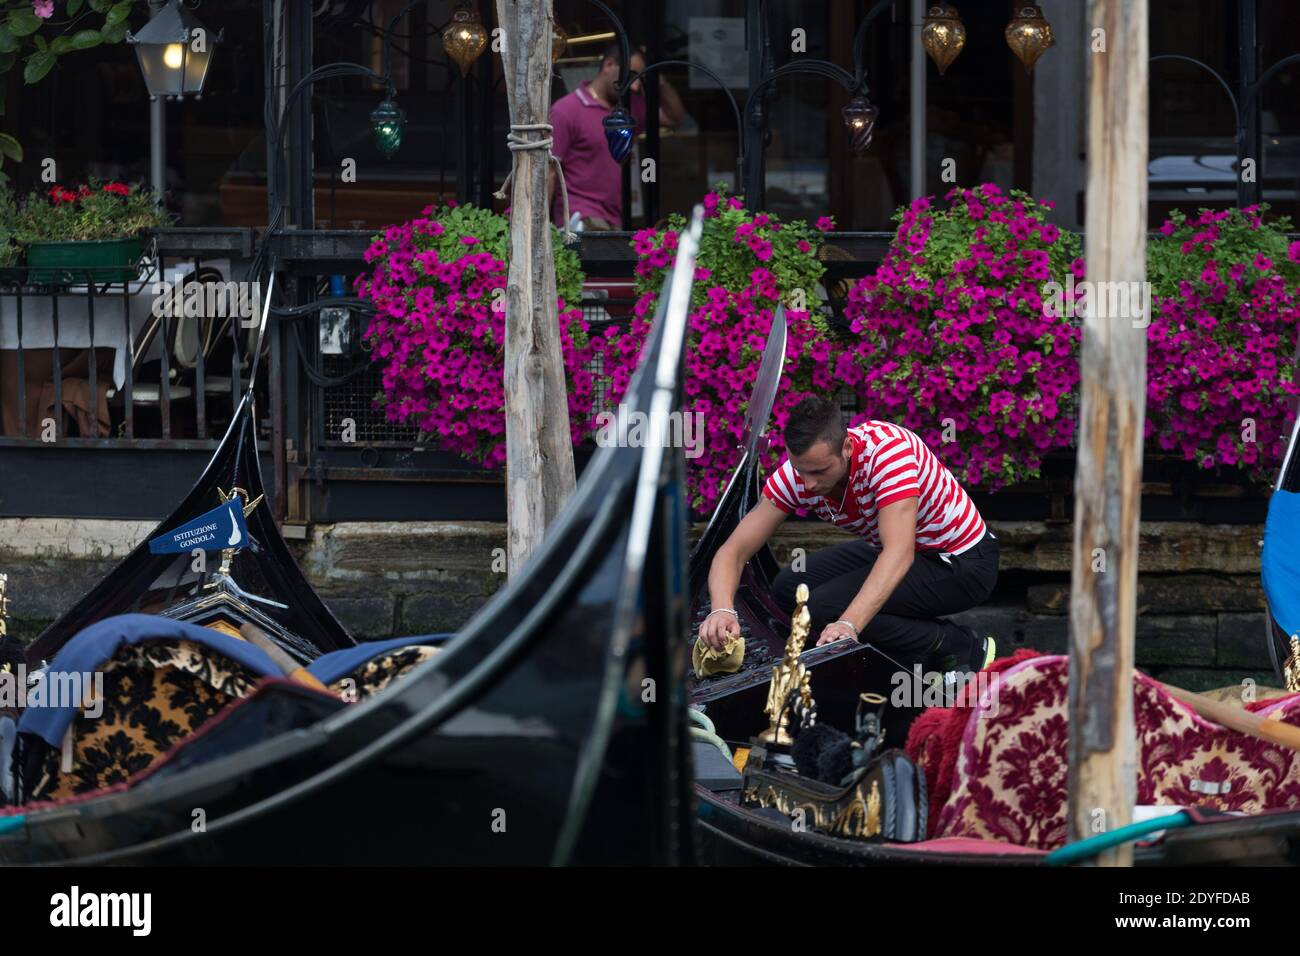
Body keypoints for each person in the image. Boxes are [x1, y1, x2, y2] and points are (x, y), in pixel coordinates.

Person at [699, 396, 998, 676]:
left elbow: (898, 553)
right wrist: (722, 610)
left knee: (823, 607)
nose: (809, 483)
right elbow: (733, 551)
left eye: (820, 471)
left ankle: (955, 646)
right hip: (910, 554)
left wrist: (848, 623)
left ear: (847, 448)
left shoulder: (887, 453)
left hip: (963, 562)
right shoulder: (798, 476)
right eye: (801, 471)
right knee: (789, 589)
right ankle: (869, 650)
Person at [549, 42, 686, 230]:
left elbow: (674, 117)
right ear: (609, 65)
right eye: (631, 76)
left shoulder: (631, 106)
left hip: (616, 219)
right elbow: (548, 171)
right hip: (581, 218)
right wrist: (538, 230)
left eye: (640, 78)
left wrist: (656, 76)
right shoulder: (567, 110)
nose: (636, 86)